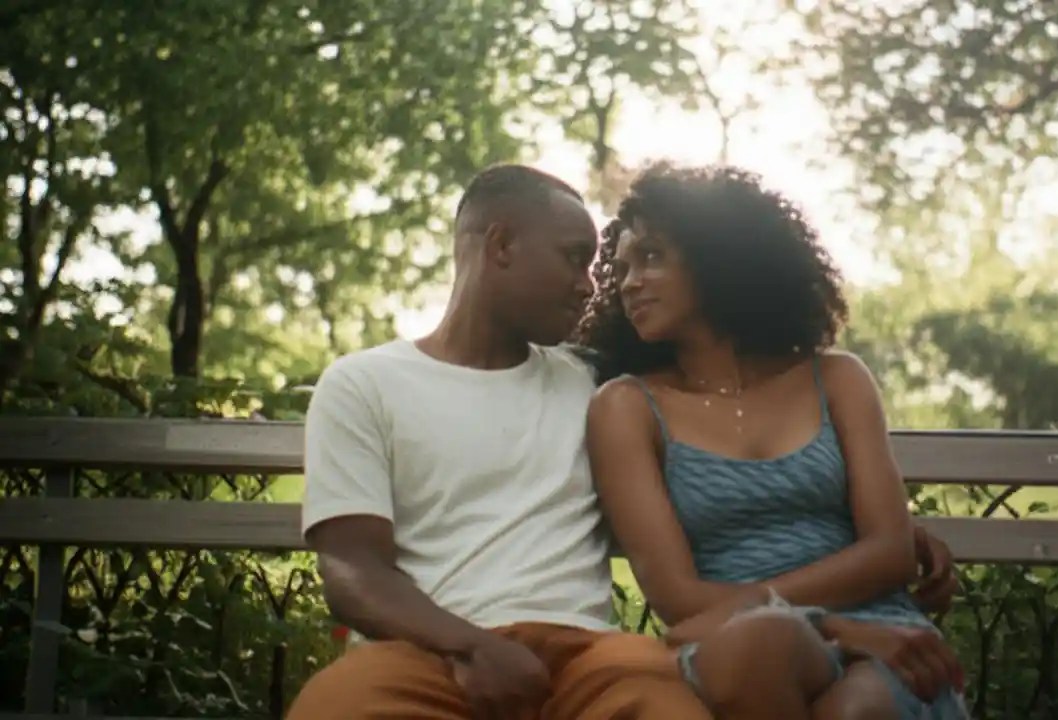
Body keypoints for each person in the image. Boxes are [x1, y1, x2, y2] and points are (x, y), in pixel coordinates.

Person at [288, 163, 959, 720]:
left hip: (593, 659)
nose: (595, 286)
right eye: (579, 260)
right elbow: (352, 569)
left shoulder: (596, 382)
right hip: (422, 653)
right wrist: (471, 647)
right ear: (499, 247)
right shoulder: (363, 383)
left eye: (607, 264)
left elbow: (730, 416)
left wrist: (892, 538)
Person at [577, 163, 971, 719]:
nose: (629, 282)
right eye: (621, 268)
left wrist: (842, 622)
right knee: (759, 642)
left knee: (851, 713)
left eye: (652, 256)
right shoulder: (626, 407)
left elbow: (889, 552)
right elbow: (678, 598)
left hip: (887, 637)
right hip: (735, 646)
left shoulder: (836, 379)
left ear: (720, 256)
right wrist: (828, 624)